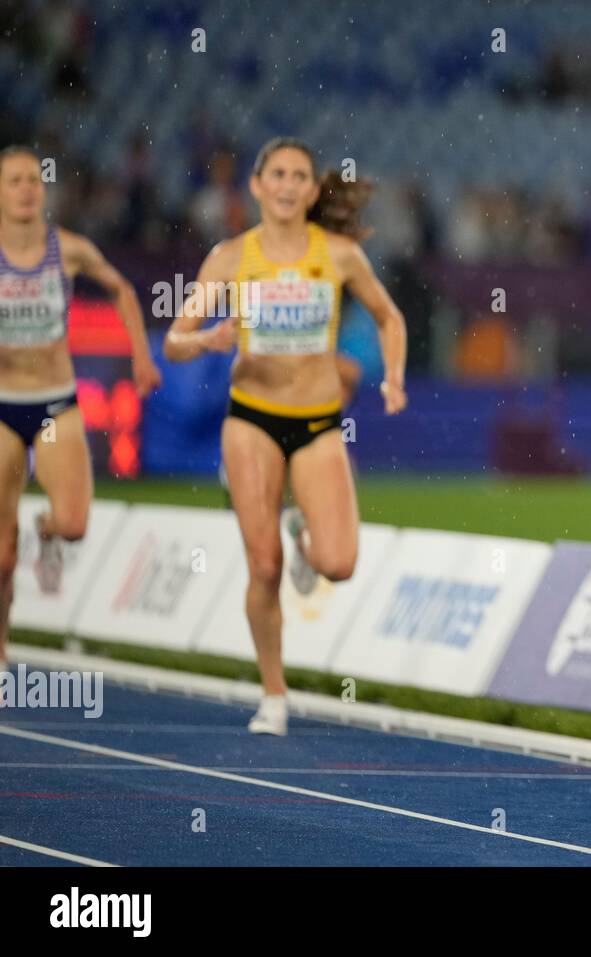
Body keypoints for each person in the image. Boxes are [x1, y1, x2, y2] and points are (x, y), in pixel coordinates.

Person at [164, 137, 407, 735]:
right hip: (251, 420)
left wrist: (394, 377)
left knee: (339, 562)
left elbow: (389, 317)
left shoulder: (341, 254)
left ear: (310, 189)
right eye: (278, 173)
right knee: (264, 566)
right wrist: (204, 341)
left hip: (320, 420)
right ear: (257, 185)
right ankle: (274, 693)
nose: (289, 184)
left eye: (300, 175)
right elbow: (174, 338)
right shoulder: (230, 257)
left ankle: (305, 536)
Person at [0, 145, 160, 672]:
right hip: (2, 406)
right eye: (14, 180)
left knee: (73, 524)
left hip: (54, 403)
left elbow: (120, 289)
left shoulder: (66, 249)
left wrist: (140, 356)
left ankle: (44, 529)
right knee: (0, 555)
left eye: (33, 180)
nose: (26, 189)